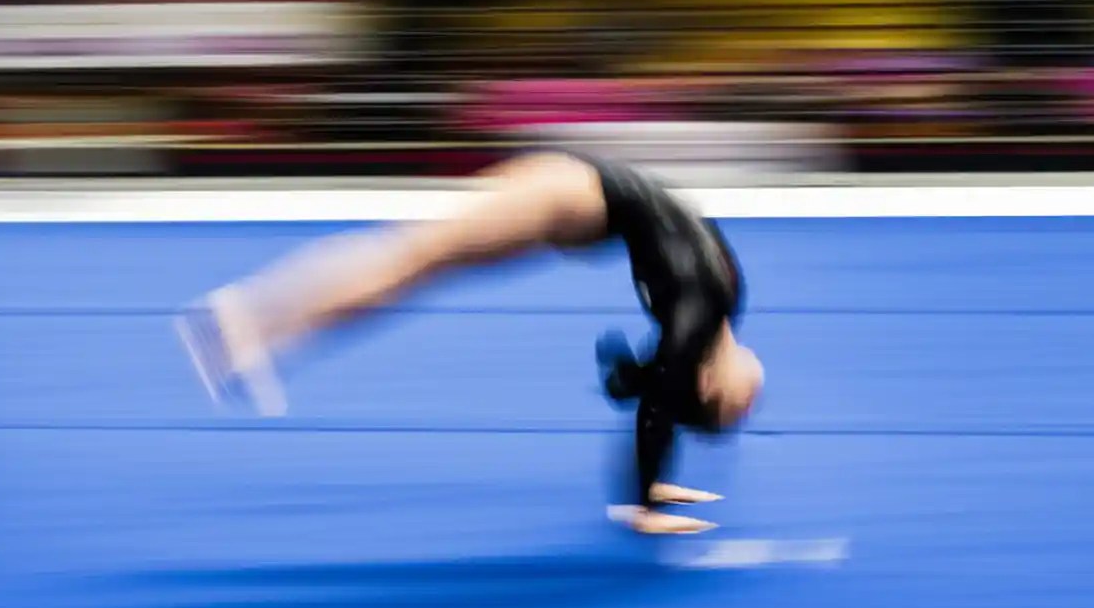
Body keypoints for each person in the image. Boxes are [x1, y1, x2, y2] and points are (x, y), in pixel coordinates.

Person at [176, 151, 764, 535]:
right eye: (740, 405)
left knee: (410, 264)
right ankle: (246, 319)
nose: (751, 399)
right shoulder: (707, 310)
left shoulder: (706, 320)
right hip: (565, 195)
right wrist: (640, 505)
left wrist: (651, 485)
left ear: (709, 382)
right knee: (407, 260)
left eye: (738, 406)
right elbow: (658, 400)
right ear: (706, 380)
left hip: (567, 197)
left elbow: (656, 395)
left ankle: (255, 324)